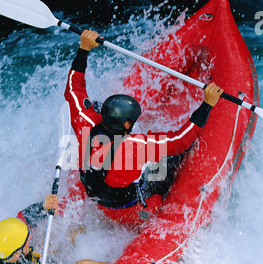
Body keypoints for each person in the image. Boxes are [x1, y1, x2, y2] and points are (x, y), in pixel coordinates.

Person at [64, 30, 224, 225]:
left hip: (97, 199)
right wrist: (207, 104)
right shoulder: (136, 146)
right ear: (126, 125)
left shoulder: (85, 124)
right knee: (170, 161)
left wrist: (83, 49)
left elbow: (73, 89)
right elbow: (180, 140)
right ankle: (151, 213)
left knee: (93, 105)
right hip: (129, 212)